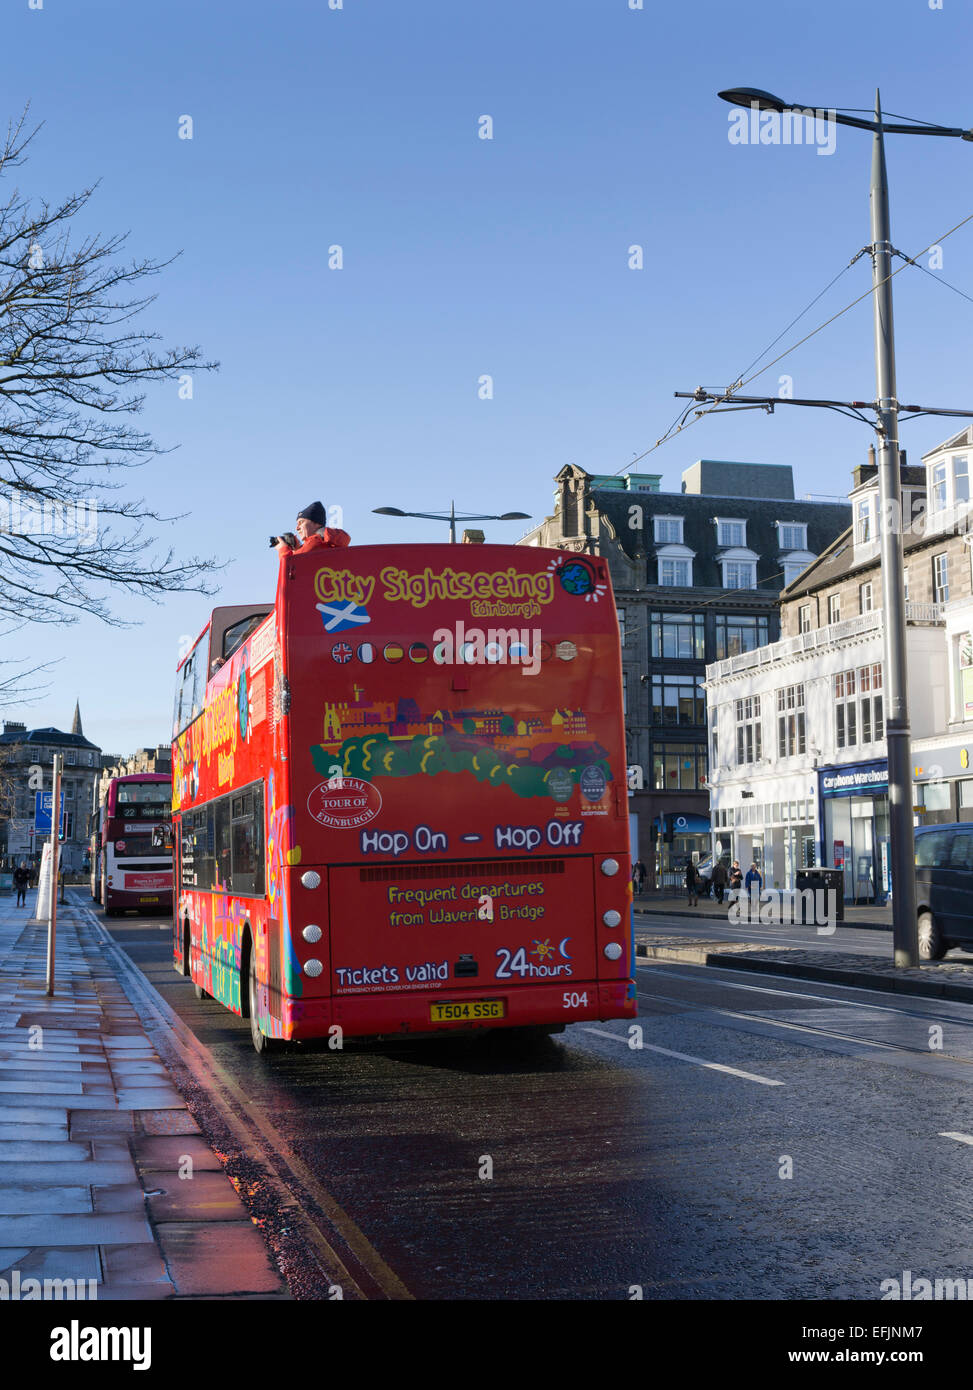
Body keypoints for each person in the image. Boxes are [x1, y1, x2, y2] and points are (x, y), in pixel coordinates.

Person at [275, 502, 350, 557]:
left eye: (301, 522)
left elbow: (290, 565)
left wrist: (283, 549)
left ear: (316, 523)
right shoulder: (327, 543)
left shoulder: (315, 542)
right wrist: (297, 549)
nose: (297, 528)